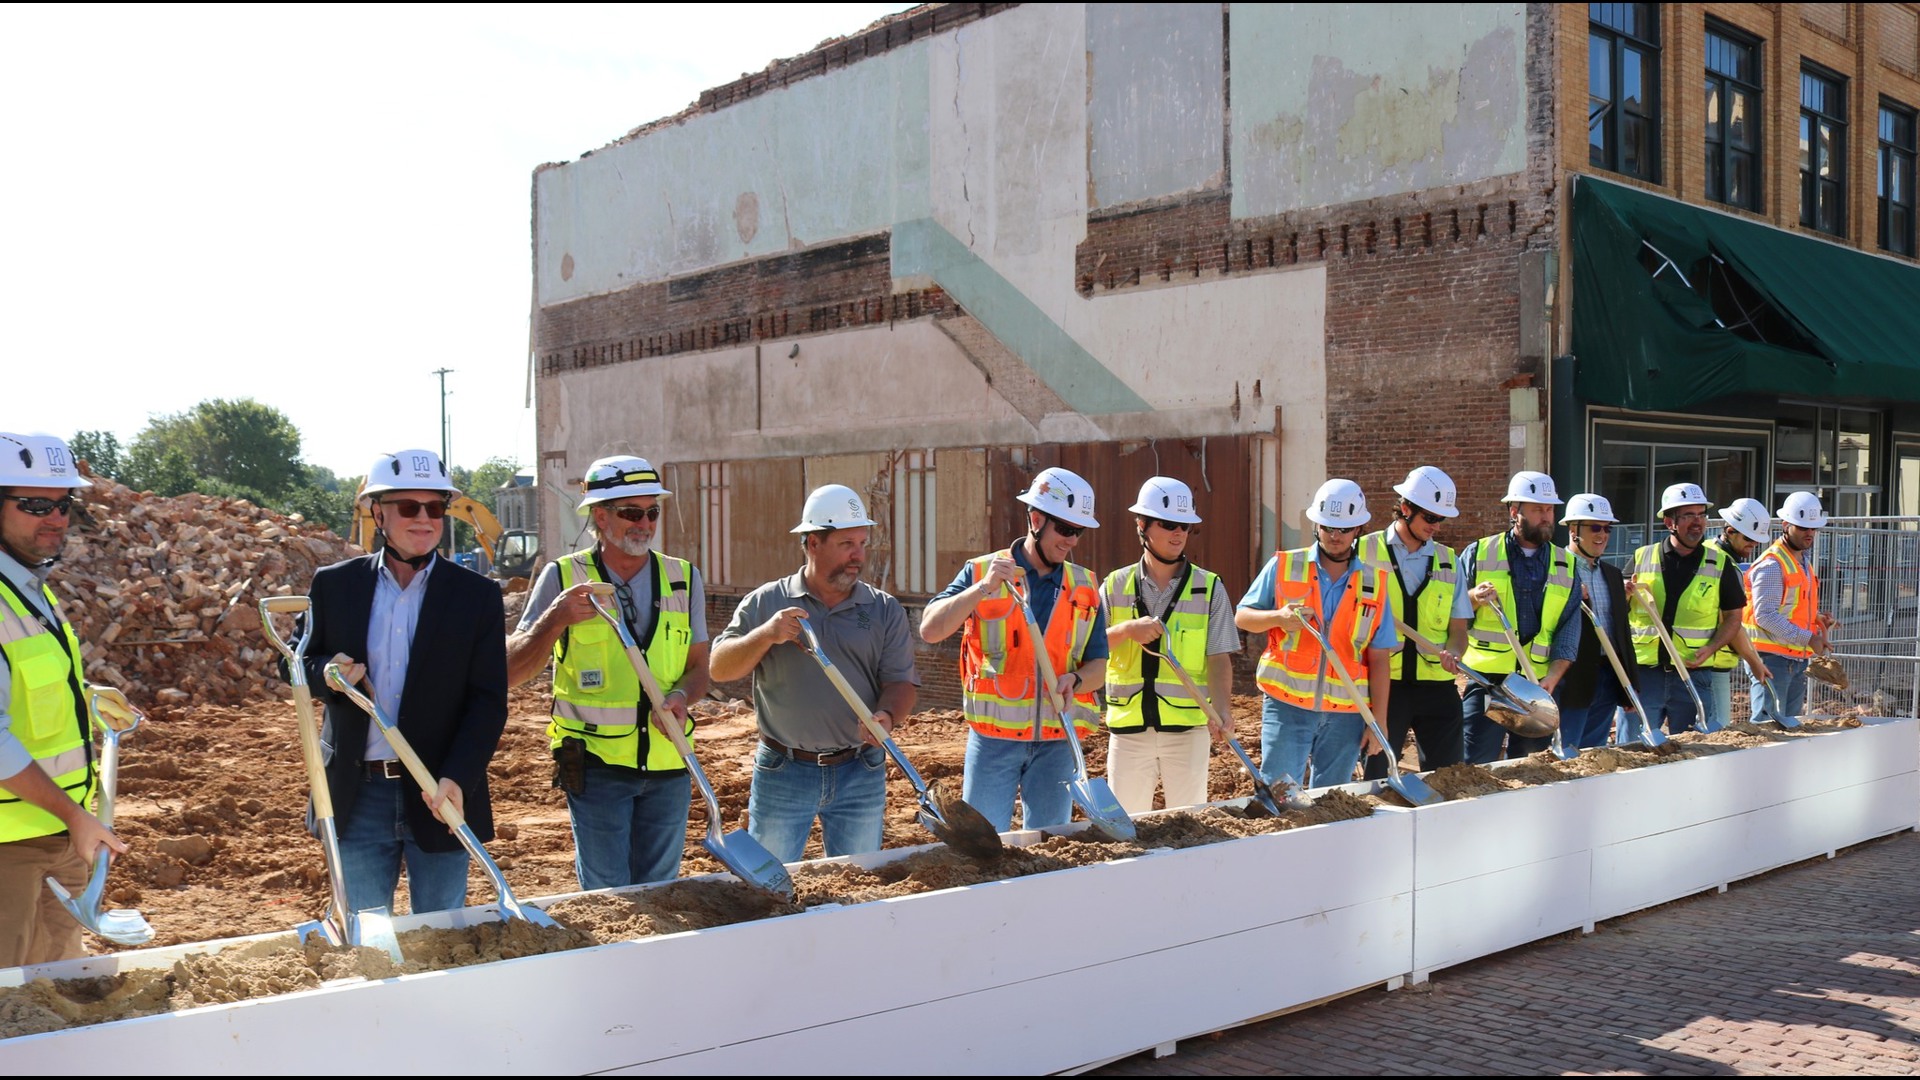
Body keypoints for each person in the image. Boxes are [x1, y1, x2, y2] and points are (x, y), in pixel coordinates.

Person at [301, 449, 508, 917]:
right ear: (378, 513)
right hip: (356, 796)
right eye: (409, 507)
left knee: (441, 936)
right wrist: (326, 673)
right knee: (366, 940)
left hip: (438, 791)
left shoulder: (476, 597)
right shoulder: (334, 586)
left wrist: (458, 777)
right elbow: (298, 663)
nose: (424, 519)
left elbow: (488, 701)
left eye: (435, 507)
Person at [506, 456, 710, 890]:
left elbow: (698, 670)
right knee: (607, 894)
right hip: (596, 767)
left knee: (661, 890)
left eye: (652, 512)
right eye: (632, 513)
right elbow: (511, 671)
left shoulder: (683, 578)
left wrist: (681, 698)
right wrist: (555, 619)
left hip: (669, 761)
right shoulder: (562, 577)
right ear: (600, 515)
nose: (645, 523)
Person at [709, 484, 919, 863]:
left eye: (862, 543)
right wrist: (766, 635)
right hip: (784, 770)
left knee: (858, 885)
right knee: (768, 889)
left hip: (861, 768)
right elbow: (720, 668)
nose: (858, 556)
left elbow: (900, 682)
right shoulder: (767, 602)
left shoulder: (883, 608)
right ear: (812, 543)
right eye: (846, 544)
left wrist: (887, 716)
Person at [920, 467, 1108, 832]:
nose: (1072, 541)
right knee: (982, 850)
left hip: (1057, 742)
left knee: (1050, 848)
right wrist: (983, 590)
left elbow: (1100, 663)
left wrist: (1077, 680)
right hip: (994, 744)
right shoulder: (980, 572)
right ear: (1036, 519)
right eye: (1065, 529)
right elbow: (930, 629)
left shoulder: (1084, 585)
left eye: (1078, 531)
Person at [0, 433, 128, 968]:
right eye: (34, 505)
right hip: (11, 851)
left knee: (54, 1005)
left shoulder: (29, 588)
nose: (54, 518)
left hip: (57, 838)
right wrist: (76, 817)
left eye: (62, 504)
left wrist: (90, 698)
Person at [1234, 479, 1397, 789]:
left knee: (1331, 801)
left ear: (1358, 530)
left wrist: (1379, 723)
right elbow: (1243, 617)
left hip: (1346, 713)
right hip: (1287, 705)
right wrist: (1278, 618)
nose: (1335, 536)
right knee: (1280, 796)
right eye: (1327, 527)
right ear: (1316, 526)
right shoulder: (1284, 565)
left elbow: (1379, 658)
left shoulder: (1375, 584)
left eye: (1343, 529)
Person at [1099, 477, 1235, 814]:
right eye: (1169, 524)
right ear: (1141, 525)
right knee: (1126, 831)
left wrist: (1223, 710)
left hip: (1187, 731)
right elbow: (1091, 649)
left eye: (1185, 526)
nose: (1179, 533)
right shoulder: (1114, 585)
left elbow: (1219, 658)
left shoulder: (1209, 587)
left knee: (1191, 827)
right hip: (1129, 731)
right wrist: (1128, 630)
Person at [1454, 471, 1578, 762]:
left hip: (1537, 684)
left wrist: (1553, 677)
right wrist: (1473, 598)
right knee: (1476, 763)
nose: (1546, 517)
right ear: (1514, 512)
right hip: (1487, 682)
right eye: (1538, 510)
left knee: (1530, 765)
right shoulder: (1479, 553)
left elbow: (1569, 628)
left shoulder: (1567, 564)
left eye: (1549, 509)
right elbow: (1455, 615)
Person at [1358, 466, 1464, 780]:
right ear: (1405, 508)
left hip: (1437, 688)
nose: (1437, 527)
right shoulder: (1364, 552)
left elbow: (1458, 629)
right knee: (1376, 778)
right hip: (1383, 686)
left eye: (1441, 519)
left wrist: (1455, 652)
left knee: (1450, 778)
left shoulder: (1449, 561)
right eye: (1430, 518)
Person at [1625, 483, 1746, 736]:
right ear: (1670, 522)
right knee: (1632, 751)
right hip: (1646, 676)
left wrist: (1711, 648)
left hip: (1694, 675)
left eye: (1701, 515)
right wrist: (1622, 594)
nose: (1697, 522)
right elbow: (1618, 611)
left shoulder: (1720, 564)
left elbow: (1734, 618)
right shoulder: (1641, 557)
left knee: (1695, 751)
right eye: (1689, 515)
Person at [1542, 494, 1638, 750]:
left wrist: (1629, 683)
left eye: (1607, 528)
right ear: (1574, 530)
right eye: (1595, 527)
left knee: (1595, 752)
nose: (1603, 534)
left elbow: (1620, 633)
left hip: (1607, 675)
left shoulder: (1613, 575)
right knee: (1566, 749)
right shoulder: (1554, 569)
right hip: (1570, 678)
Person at [1745, 491, 1834, 724]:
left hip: (1794, 658)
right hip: (1772, 660)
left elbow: (1790, 606)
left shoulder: (1801, 561)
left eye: (1813, 528)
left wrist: (1816, 618)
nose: (1810, 533)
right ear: (1786, 525)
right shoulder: (1773, 564)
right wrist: (1808, 638)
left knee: (1790, 726)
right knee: (1768, 727)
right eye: (1803, 527)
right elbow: (1765, 616)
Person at [1701, 498, 1774, 727]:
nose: (1752, 544)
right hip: (1712, 662)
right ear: (1730, 531)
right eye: (1748, 539)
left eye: (1756, 541)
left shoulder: (1711, 554)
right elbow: (1732, 623)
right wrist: (1753, 660)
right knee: (1717, 727)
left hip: (1707, 659)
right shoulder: (1723, 564)